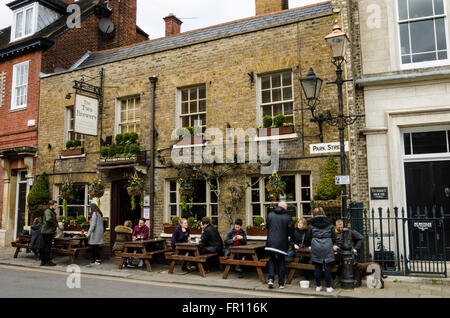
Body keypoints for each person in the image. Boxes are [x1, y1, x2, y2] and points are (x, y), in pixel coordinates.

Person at [308, 207, 338, 293]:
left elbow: (309, 236)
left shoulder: (311, 223)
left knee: (317, 266)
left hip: (315, 245)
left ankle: (318, 286)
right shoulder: (329, 223)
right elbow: (334, 236)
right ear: (323, 212)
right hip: (327, 245)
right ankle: (328, 287)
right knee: (327, 266)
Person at [265, 201, 294, 289]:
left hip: (270, 242)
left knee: (271, 260)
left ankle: (271, 279)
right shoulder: (288, 217)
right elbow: (291, 231)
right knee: (281, 261)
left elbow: (267, 227)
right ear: (285, 208)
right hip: (282, 243)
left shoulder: (270, 215)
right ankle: (281, 283)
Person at [40, 200, 58, 266]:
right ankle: (46, 261)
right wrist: (55, 225)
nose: (56, 207)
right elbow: (48, 219)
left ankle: (44, 261)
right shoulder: (48, 211)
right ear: (51, 205)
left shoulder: (51, 211)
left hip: (48, 231)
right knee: (47, 247)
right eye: (55, 205)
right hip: (47, 232)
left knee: (45, 247)